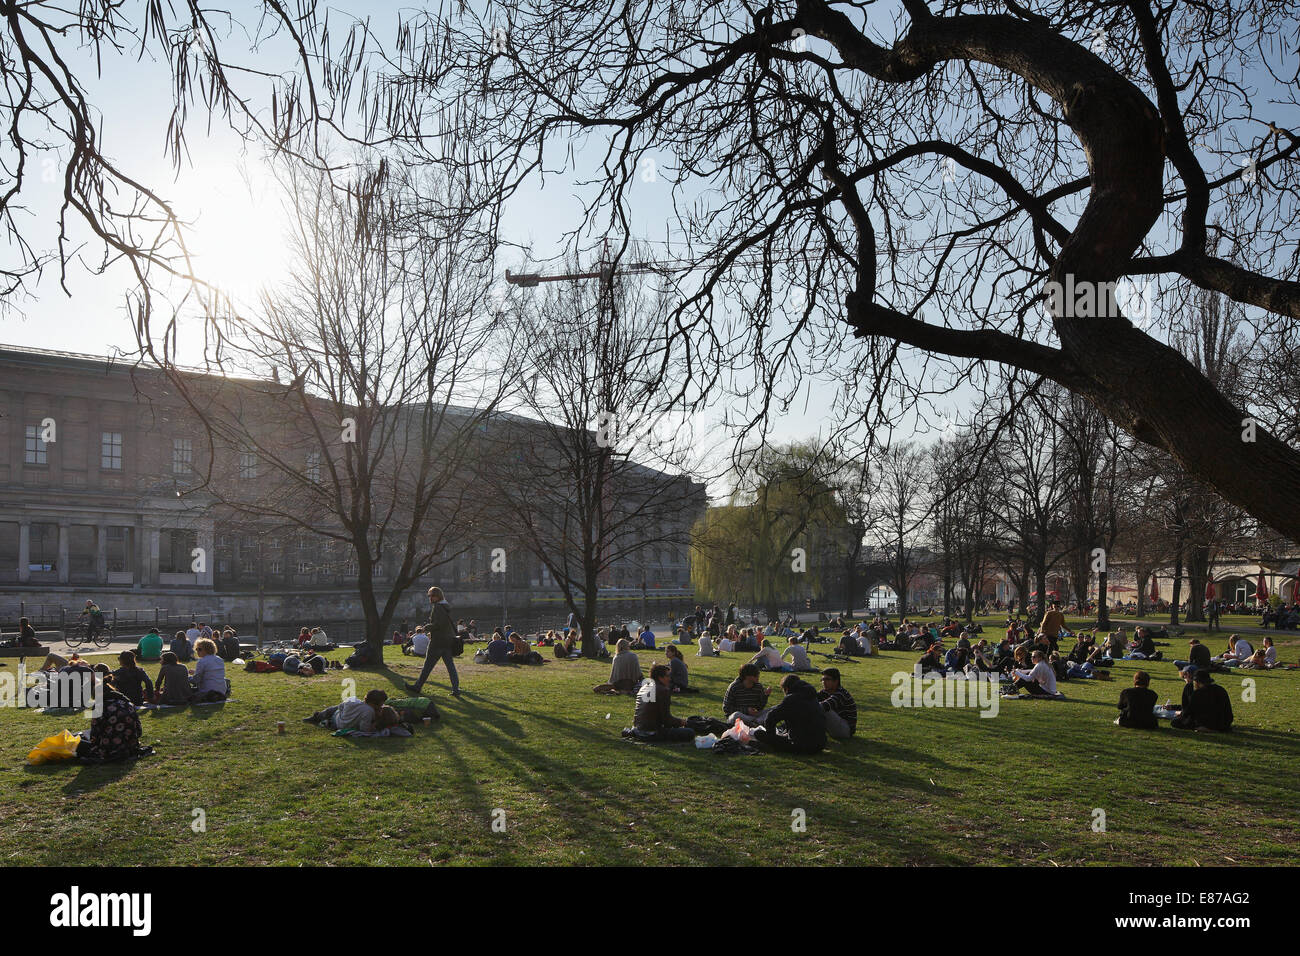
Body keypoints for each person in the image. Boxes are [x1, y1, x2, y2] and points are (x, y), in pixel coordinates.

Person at [406, 586, 460, 698]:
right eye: (429, 596)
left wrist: (426, 627)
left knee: (427, 666)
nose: (429, 598)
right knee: (450, 666)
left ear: (437, 596)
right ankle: (456, 689)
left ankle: (417, 686)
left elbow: (438, 624)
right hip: (447, 641)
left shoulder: (438, 607)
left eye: (431, 596)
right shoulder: (446, 606)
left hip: (437, 641)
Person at [75, 677, 143, 763]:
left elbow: (95, 731)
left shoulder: (100, 705)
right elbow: (139, 728)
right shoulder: (127, 702)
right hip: (131, 743)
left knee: (80, 743)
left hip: (111, 746)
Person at [754, 675, 827, 754]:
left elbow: (770, 718)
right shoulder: (813, 697)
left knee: (758, 733)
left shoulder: (791, 699)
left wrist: (771, 737)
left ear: (786, 689)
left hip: (800, 745)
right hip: (820, 744)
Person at [630, 664, 694, 741]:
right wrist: (682, 722)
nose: (670, 679)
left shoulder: (644, 687)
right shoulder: (663, 690)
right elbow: (667, 721)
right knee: (690, 732)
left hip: (637, 730)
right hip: (651, 733)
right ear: (660, 677)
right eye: (668, 676)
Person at [305, 689, 388, 731]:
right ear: (375, 703)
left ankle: (318, 716)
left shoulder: (353, 700)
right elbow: (364, 728)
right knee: (336, 710)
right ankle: (325, 719)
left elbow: (340, 707)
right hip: (343, 725)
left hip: (338, 719)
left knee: (334, 708)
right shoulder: (369, 711)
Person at [817, 668, 857, 739]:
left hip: (845, 730)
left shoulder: (841, 694)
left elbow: (824, 706)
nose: (824, 682)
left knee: (823, 709)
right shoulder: (824, 692)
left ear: (836, 681)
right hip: (835, 726)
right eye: (822, 680)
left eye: (827, 679)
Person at [191, 638, 228, 703]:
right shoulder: (219, 659)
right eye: (196, 649)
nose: (197, 651)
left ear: (207, 650)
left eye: (199, 649)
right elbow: (211, 672)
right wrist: (195, 672)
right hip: (222, 690)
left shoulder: (202, 661)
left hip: (208, 691)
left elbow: (196, 680)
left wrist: (187, 678)